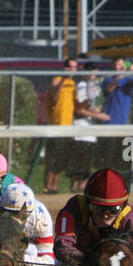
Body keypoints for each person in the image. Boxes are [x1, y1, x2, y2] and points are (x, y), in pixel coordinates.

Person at [46, 58, 80, 193]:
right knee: (53, 157)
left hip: (68, 126)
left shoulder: (73, 84)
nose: (72, 70)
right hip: (56, 125)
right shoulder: (57, 79)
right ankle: (48, 186)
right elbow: (54, 97)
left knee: (61, 158)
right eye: (70, 67)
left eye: (75, 67)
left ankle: (55, 186)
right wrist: (63, 80)